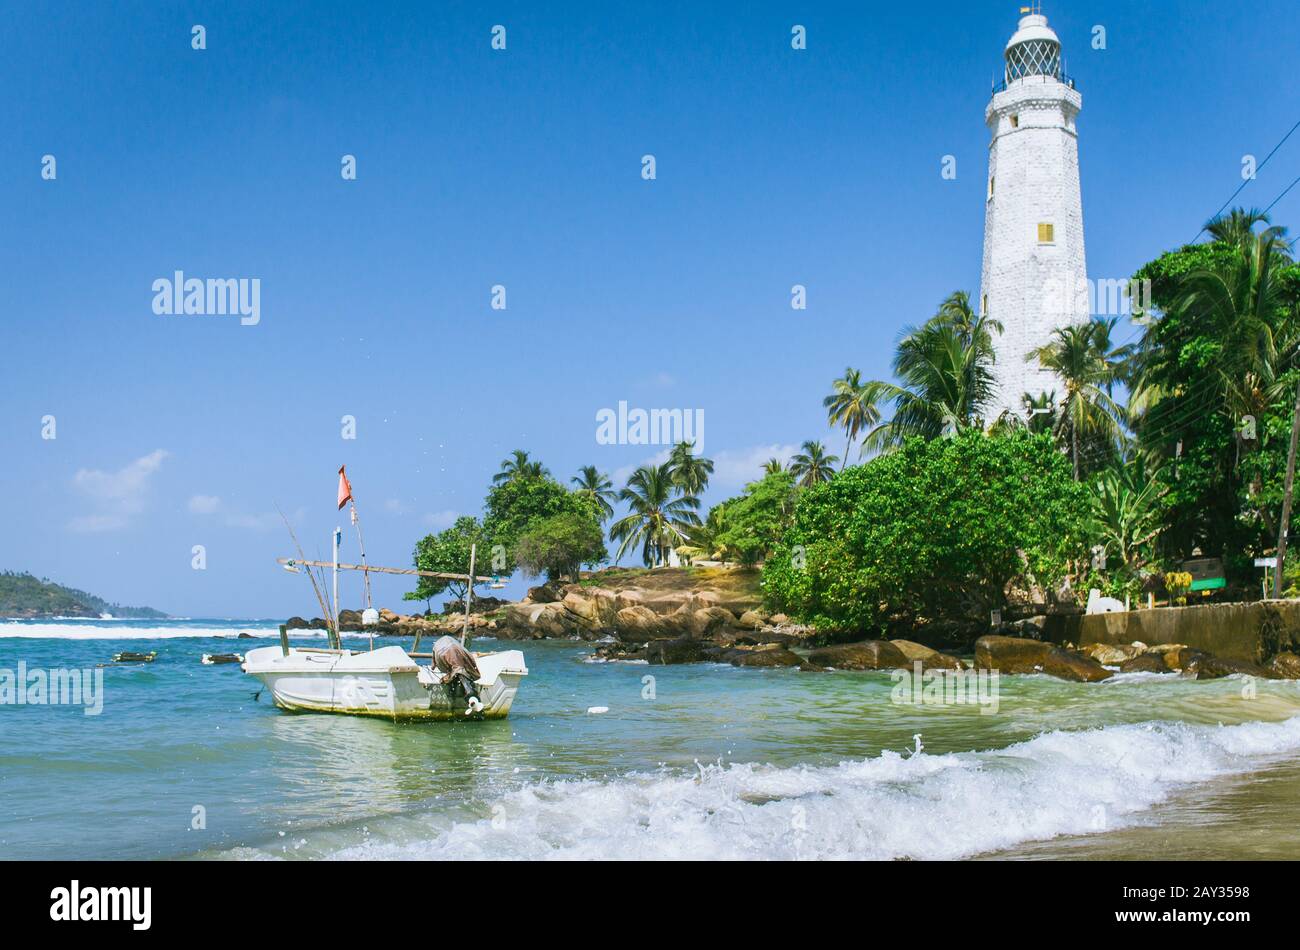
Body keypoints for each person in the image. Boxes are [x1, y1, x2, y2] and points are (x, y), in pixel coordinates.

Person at [432, 635, 484, 715]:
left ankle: (469, 694)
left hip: (449, 654)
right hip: (457, 653)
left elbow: (434, 664)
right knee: (460, 670)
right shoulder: (459, 652)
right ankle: (470, 694)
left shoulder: (437, 647)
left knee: (459, 671)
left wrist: (434, 666)